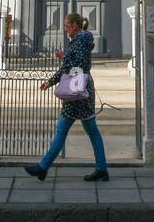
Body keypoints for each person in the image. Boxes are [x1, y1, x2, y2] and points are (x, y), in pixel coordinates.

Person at [24, 13, 109, 182]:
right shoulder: (79, 41)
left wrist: (64, 56)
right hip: (81, 91)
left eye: (67, 26)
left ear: (75, 26)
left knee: (63, 130)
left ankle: (43, 167)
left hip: (78, 93)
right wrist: (50, 82)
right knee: (91, 130)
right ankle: (101, 169)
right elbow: (68, 67)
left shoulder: (81, 41)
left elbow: (80, 65)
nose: (65, 29)